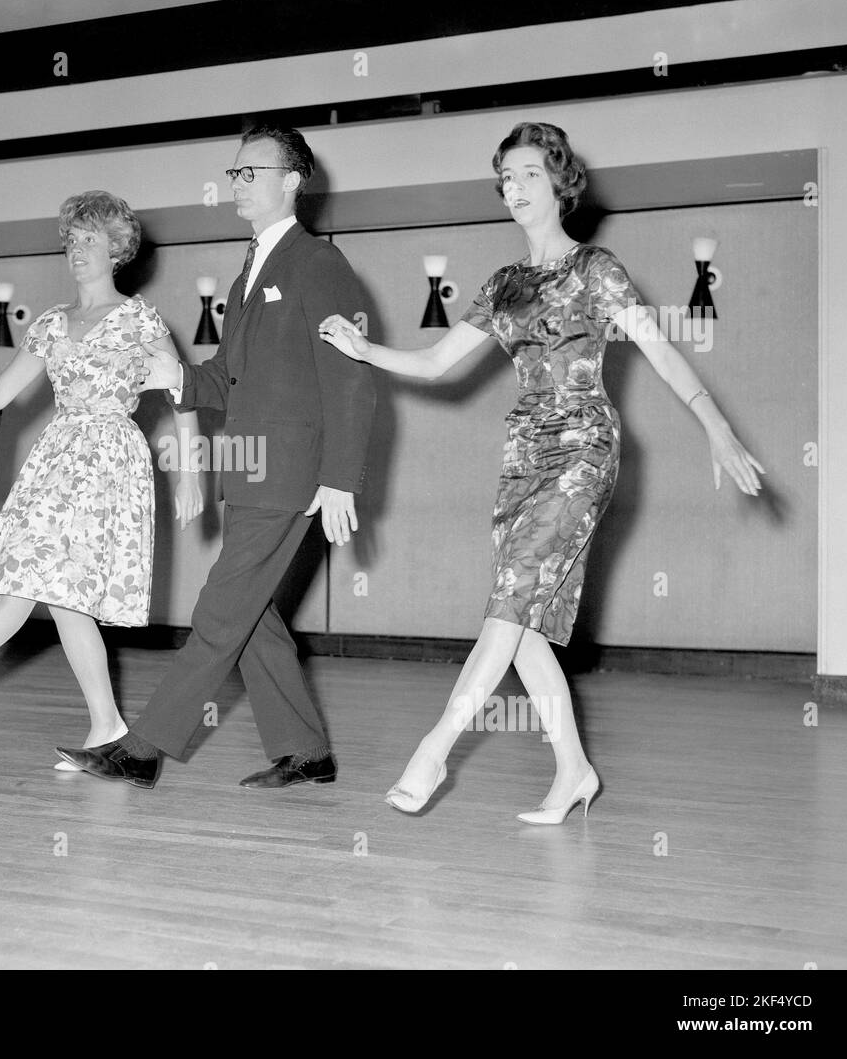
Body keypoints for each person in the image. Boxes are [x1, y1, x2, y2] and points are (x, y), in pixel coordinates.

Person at [320, 121, 764, 821]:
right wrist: (362, 348)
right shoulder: (503, 284)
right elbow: (437, 364)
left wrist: (716, 426)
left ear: (560, 184)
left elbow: (659, 349)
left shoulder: (596, 269)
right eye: (505, 177)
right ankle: (574, 773)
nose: (513, 187)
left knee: (509, 604)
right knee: (523, 627)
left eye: (528, 173)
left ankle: (434, 750)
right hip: (522, 454)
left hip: (584, 447)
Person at [57, 125, 376, 790]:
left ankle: (141, 750)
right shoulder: (250, 270)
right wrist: (170, 376)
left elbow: (351, 376)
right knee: (252, 618)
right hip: (254, 469)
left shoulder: (319, 264)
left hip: (292, 475)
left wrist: (341, 479)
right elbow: (225, 376)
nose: (238, 184)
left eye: (250, 172)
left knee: (219, 613)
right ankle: (306, 751)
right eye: (234, 174)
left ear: (293, 180)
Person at [0, 191, 202, 762]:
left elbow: (185, 401)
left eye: (91, 241)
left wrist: (190, 477)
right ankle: (106, 727)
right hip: (58, 458)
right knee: (53, 591)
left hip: (111, 460)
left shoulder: (140, 320)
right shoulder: (51, 324)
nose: (78, 251)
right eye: (72, 241)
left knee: (46, 585)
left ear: (118, 251)